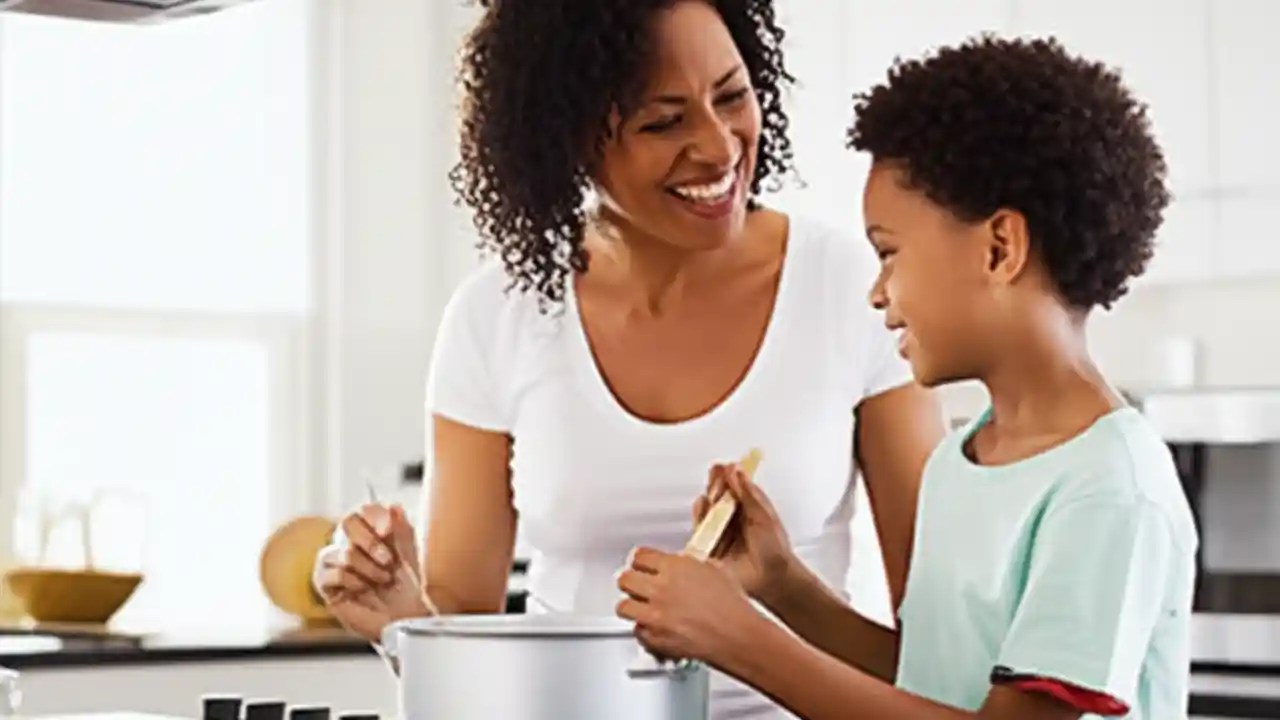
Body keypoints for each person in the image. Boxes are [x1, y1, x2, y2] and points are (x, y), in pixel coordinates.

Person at [311, 0, 945, 717]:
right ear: (568, 139)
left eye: (732, 96)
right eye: (663, 122)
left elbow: (936, 654)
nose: (719, 147)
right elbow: (464, 639)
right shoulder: (496, 316)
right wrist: (403, 622)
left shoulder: (859, 288)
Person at [616, 35, 1199, 719]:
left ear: (999, 248)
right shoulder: (961, 460)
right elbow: (932, 681)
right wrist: (782, 587)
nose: (876, 292)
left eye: (889, 253)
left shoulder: (1108, 489)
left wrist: (742, 642)